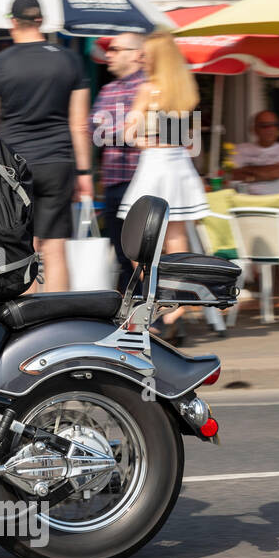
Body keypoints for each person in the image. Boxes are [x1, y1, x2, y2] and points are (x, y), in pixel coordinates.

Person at [0, 0, 93, 293]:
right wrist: (84, 174)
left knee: (23, 249)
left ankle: (28, 328)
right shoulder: (69, 59)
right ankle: (58, 323)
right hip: (58, 162)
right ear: (40, 21)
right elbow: (79, 124)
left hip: (13, 166)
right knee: (55, 249)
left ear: (13, 22)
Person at [118, 30, 208, 345]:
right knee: (178, 241)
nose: (141, 57)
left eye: (145, 53)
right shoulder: (185, 90)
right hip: (179, 165)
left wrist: (142, 139)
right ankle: (176, 308)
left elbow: (127, 133)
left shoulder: (148, 89)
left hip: (155, 165)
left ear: (155, 57)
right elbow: (187, 137)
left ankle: (159, 300)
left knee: (137, 238)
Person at [91, 32, 147, 290]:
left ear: (136, 54)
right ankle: (131, 318)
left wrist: (117, 132)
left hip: (144, 182)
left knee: (144, 255)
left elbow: (171, 135)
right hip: (114, 182)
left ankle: (157, 314)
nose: (108, 55)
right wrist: (126, 132)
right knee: (123, 256)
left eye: (115, 49)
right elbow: (94, 133)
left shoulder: (152, 88)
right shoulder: (107, 90)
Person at [233, 110, 279, 195]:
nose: (270, 129)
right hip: (245, 201)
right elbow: (233, 175)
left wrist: (247, 172)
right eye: (264, 126)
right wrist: (265, 173)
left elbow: (276, 173)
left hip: (275, 203)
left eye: (274, 125)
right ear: (254, 129)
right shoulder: (240, 149)